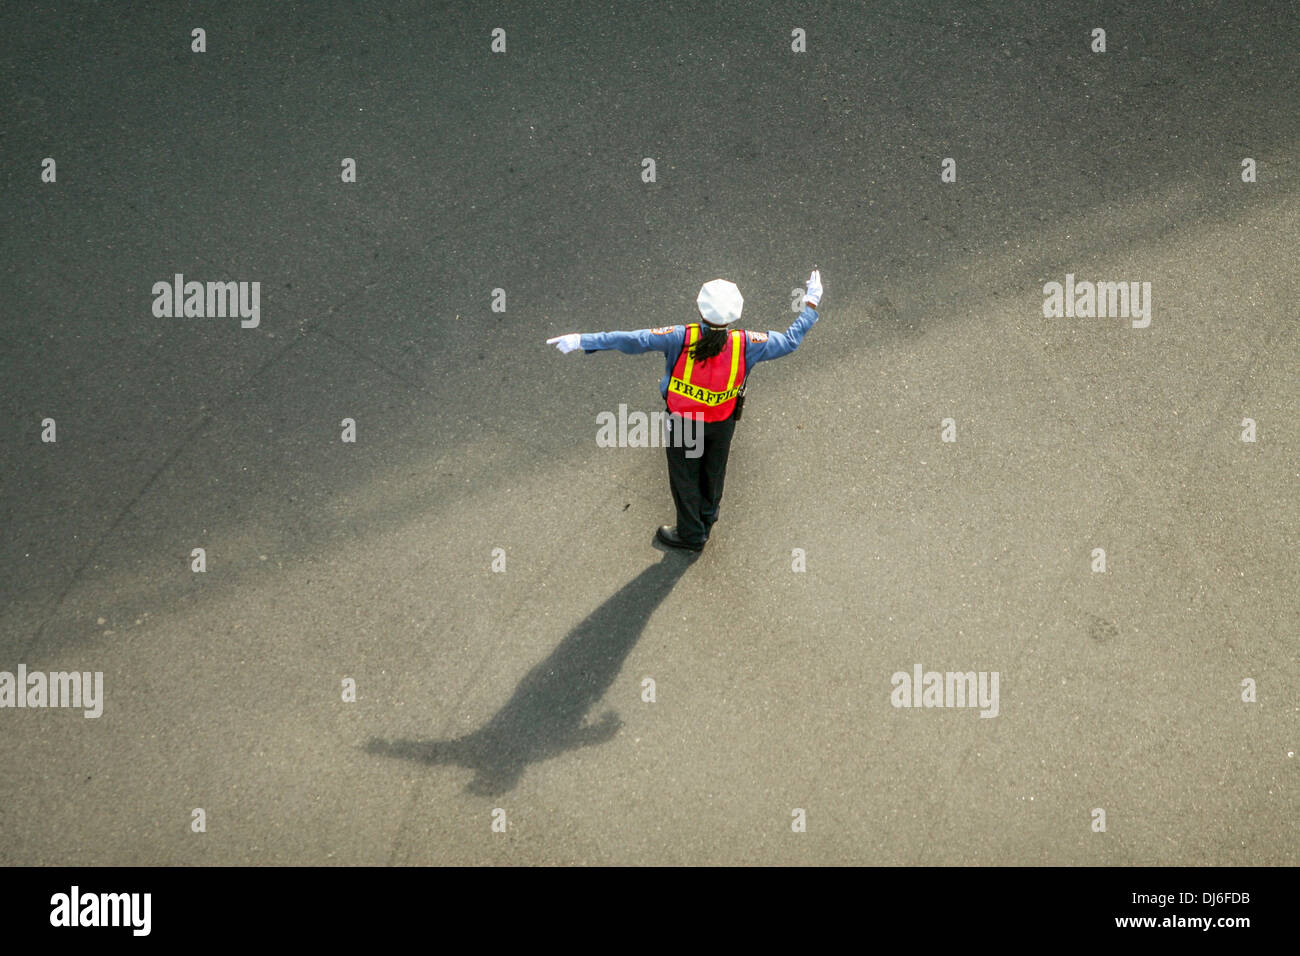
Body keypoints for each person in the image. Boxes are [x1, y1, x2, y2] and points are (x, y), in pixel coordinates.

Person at [547, 269, 823, 551]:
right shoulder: (748, 343)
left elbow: (634, 340)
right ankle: (708, 516)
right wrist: (811, 304)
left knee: (685, 477)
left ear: (701, 308)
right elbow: (790, 341)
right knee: (714, 471)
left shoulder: (680, 336)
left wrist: (584, 340)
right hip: (723, 421)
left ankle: (691, 535)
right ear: (734, 314)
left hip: (683, 424)